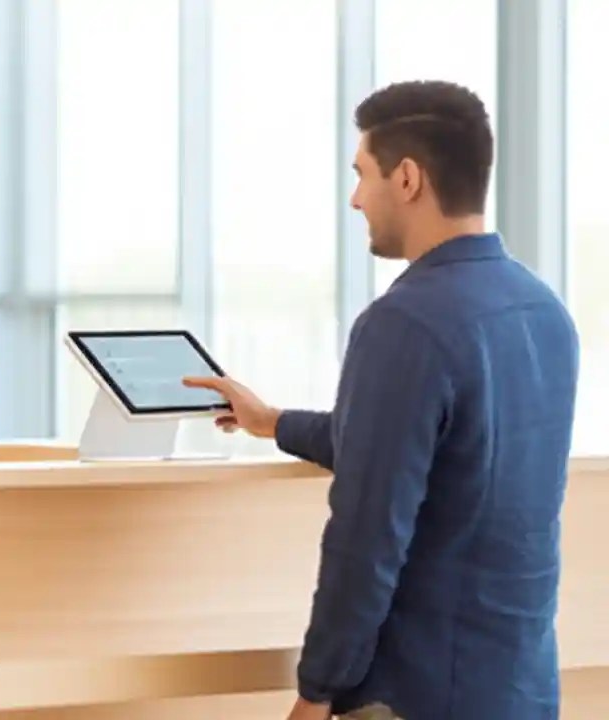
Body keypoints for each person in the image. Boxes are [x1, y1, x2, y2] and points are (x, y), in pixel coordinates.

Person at [185, 80, 579, 720]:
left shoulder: (405, 324)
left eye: (362, 174)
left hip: (414, 697)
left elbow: (366, 539)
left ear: (407, 179)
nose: (354, 198)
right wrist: (273, 422)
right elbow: (430, 452)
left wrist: (316, 691)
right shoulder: (543, 313)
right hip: (520, 690)